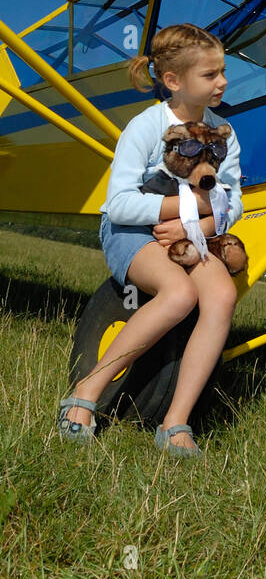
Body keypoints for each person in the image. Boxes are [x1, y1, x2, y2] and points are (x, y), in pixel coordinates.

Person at [57, 24, 243, 457]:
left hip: (191, 232)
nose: (223, 82)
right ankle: (86, 392)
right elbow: (119, 204)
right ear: (174, 81)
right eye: (211, 74)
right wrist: (182, 212)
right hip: (131, 231)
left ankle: (175, 422)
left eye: (223, 72)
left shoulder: (224, 133)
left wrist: (196, 225)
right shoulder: (145, 127)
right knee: (178, 294)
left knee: (221, 295)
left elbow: (233, 199)